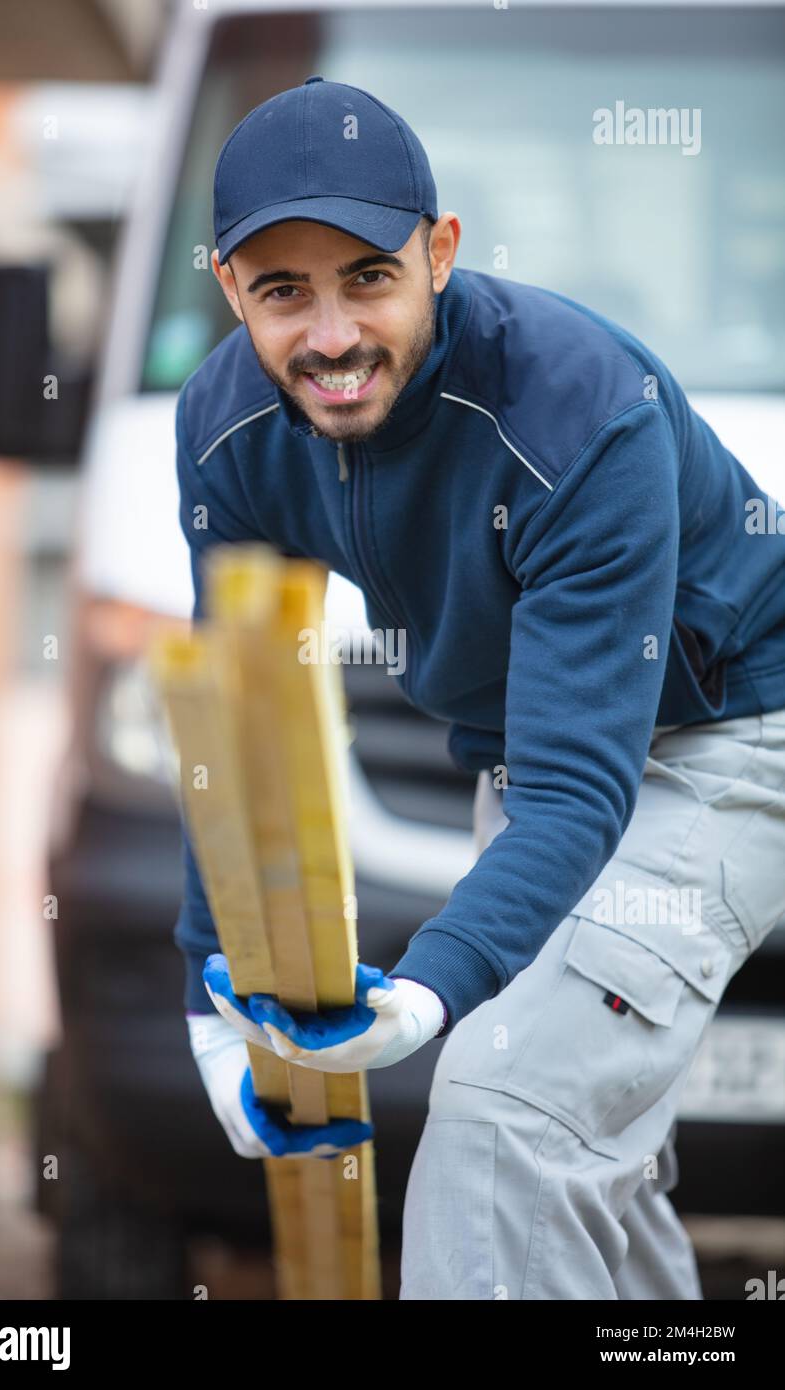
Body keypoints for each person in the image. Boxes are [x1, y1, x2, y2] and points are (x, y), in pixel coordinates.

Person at [175, 77, 785, 1299]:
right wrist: (210, 1001)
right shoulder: (226, 429)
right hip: (530, 759)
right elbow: (232, 725)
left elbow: (576, 793)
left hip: (728, 742)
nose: (332, 335)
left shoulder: (577, 412)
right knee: (579, 1171)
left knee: (501, 1117)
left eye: (367, 277)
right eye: (283, 290)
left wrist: (424, 990)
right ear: (228, 285)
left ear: (439, 253)